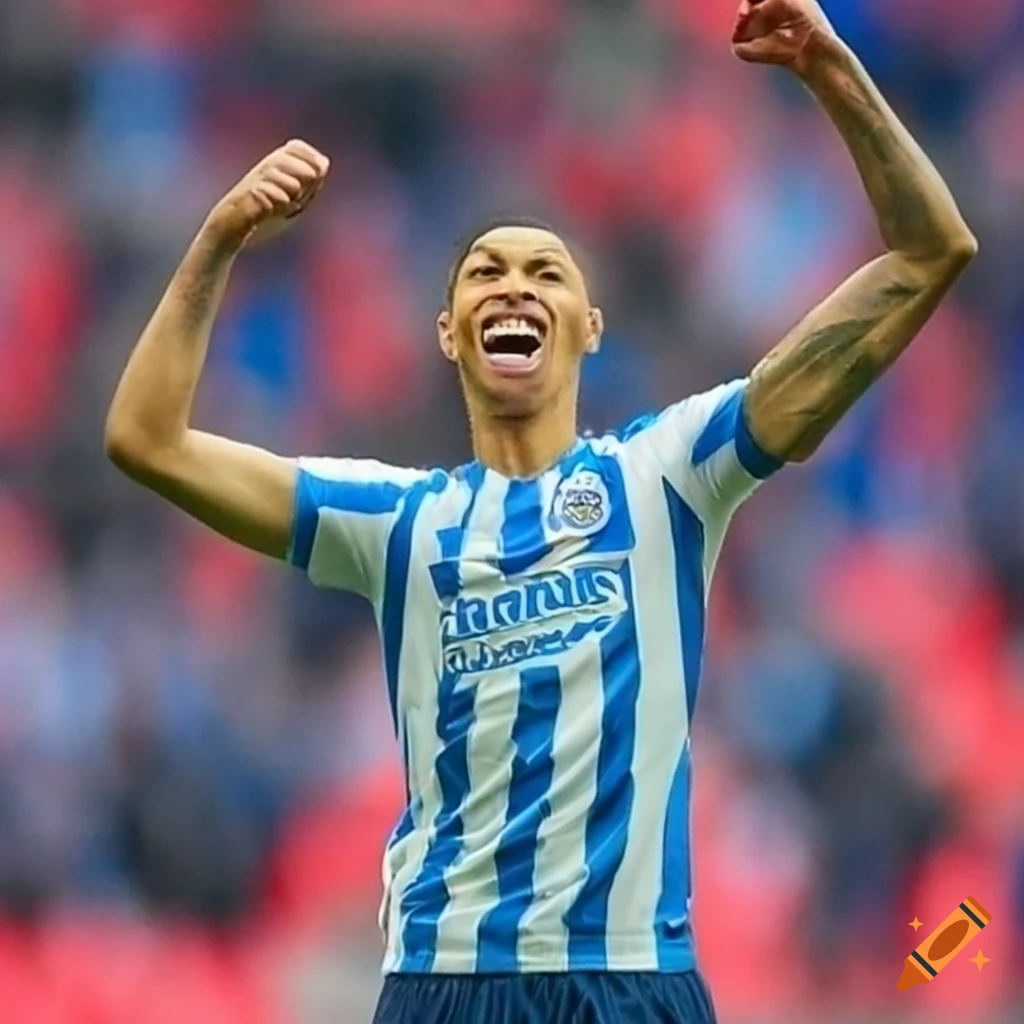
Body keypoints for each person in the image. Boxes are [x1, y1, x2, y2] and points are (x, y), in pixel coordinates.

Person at [105, 1, 977, 1020]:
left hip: (629, 975)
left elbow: (929, 252)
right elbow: (146, 439)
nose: (513, 286)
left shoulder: (669, 473)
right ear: (448, 332)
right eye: (485, 271)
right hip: (447, 980)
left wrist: (830, 67)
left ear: (588, 327)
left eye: (545, 272)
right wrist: (219, 241)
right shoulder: (395, 523)